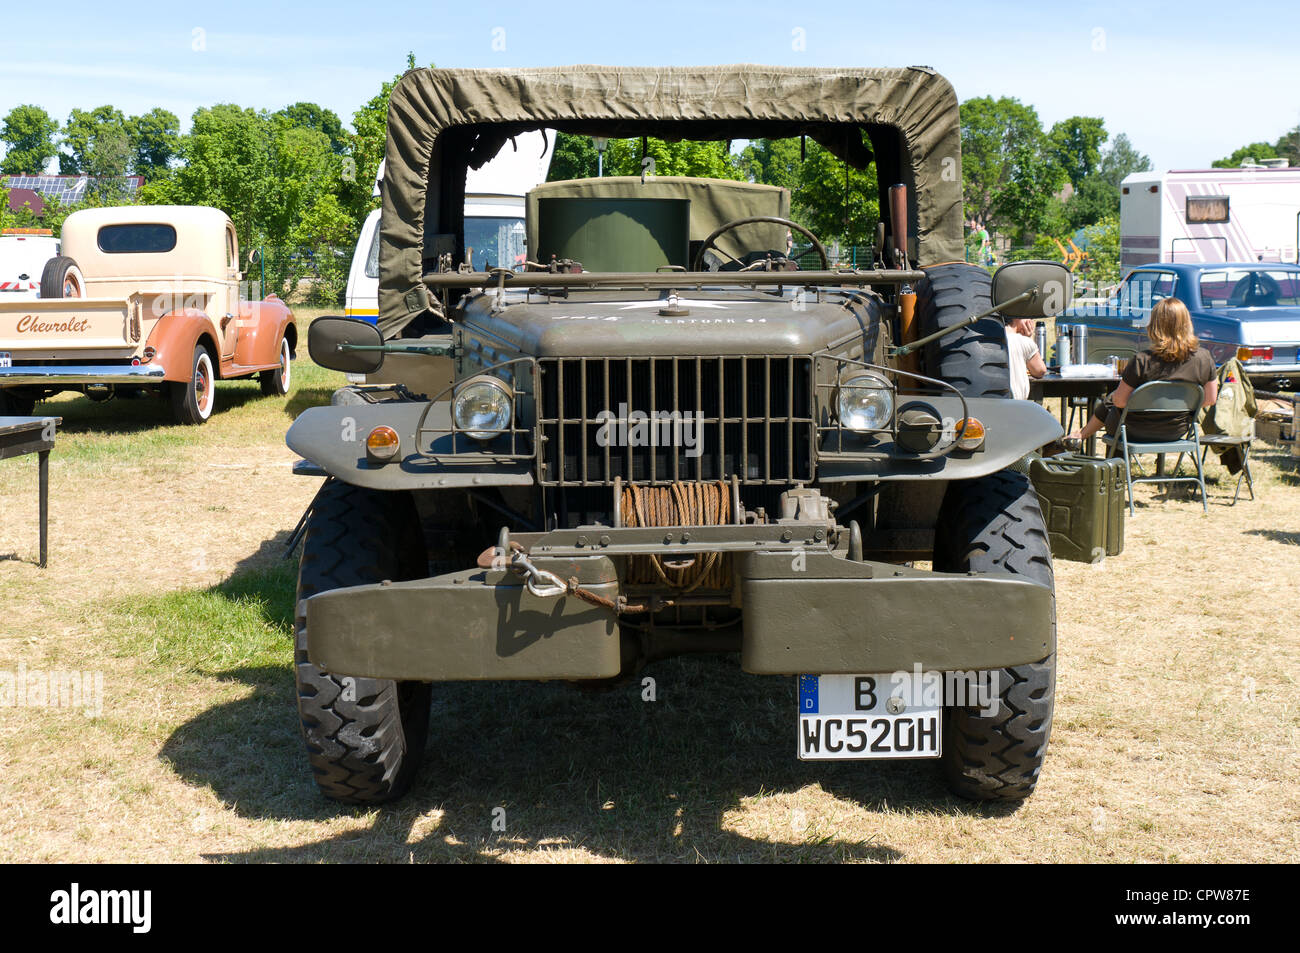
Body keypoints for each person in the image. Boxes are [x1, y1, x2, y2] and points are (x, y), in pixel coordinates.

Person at [1067, 297, 1217, 446]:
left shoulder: (1142, 360)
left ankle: (1097, 448)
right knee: (1113, 400)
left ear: (1155, 326)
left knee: (1113, 399)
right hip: (1175, 430)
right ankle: (1082, 434)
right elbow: (1210, 399)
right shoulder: (1204, 358)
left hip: (1133, 430)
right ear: (1187, 324)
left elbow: (1120, 401)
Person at [1005, 317, 1047, 400]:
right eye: (1030, 317)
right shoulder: (1024, 341)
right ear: (1018, 318)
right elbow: (1040, 370)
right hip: (1017, 402)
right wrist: (1028, 339)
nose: (1031, 322)